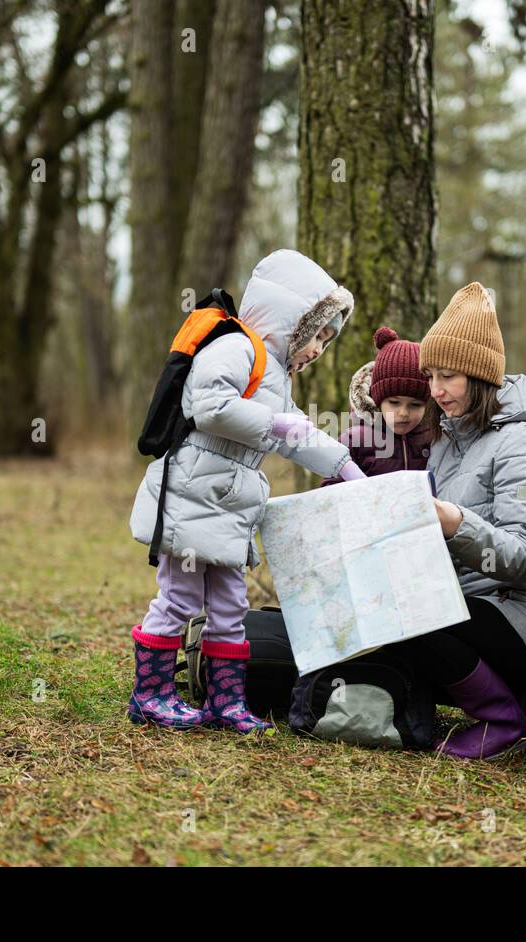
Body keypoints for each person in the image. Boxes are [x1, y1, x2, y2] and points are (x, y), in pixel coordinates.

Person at [127, 250, 366, 734]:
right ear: (291, 319)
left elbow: (295, 432)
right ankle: (150, 695)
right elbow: (212, 406)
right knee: (179, 596)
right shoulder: (237, 346)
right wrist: (275, 423)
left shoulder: (275, 375)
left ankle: (226, 700)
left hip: (228, 505)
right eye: (317, 334)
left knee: (232, 604)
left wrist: (344, 465)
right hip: (194, 492)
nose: (319, 348)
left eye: (327, 340)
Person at [389, 282, 526, 759]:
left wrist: (453, 521)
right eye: (431, 376)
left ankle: (504, 716)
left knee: (416, 620)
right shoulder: (450, 440)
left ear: (481, 376)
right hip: (473, 605)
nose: (435, 390)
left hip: (524, 616)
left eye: (448, 376)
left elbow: (521, 558)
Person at [321, 326, 437, 487]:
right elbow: (330, 489)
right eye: (394, 402)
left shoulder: (436, 437)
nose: (403, 413)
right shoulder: (354, 440)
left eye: (415, 405)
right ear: (377, 399)